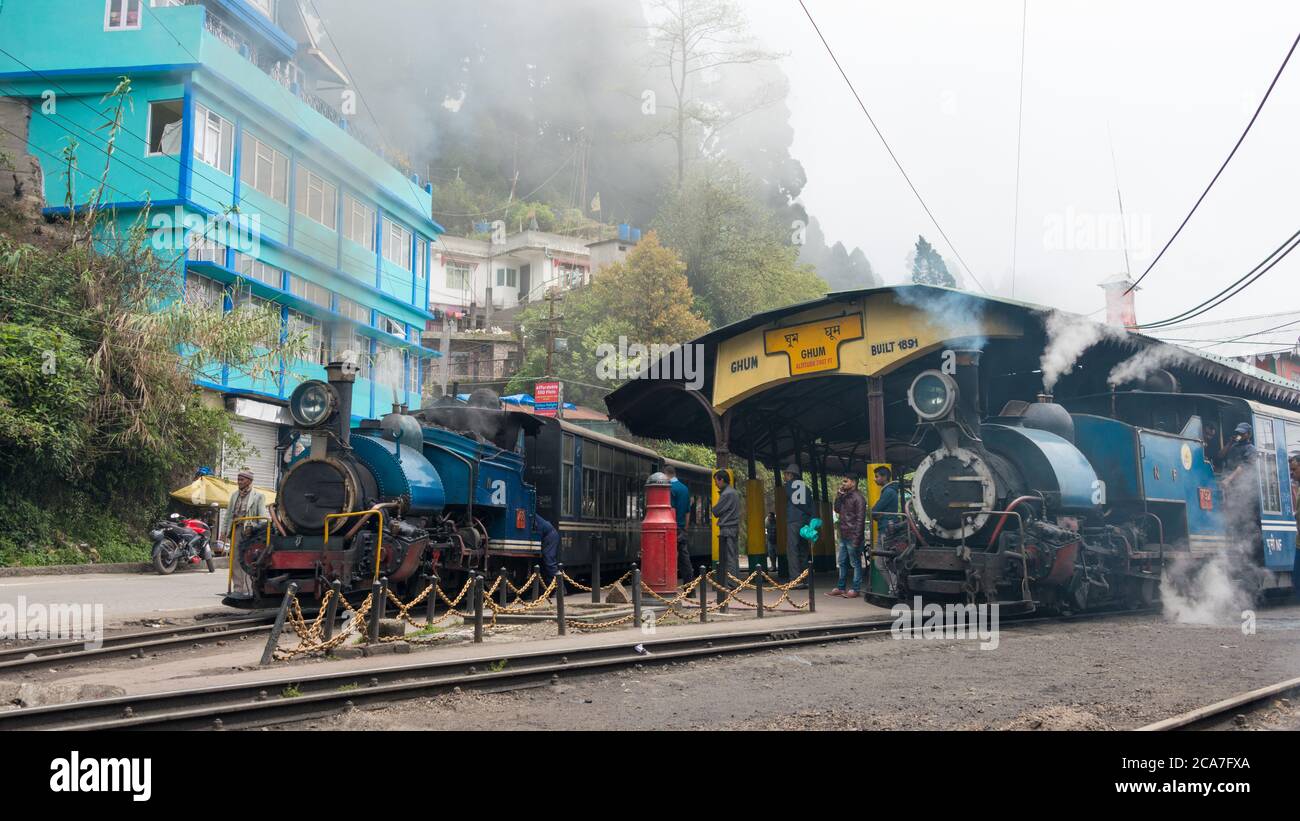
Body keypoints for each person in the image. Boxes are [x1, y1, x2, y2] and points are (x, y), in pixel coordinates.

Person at [227, 468, 268, 598]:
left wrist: (253, 527)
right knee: (235, 560)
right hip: (236, 530)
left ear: (249, 481)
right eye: (238, 479)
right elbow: (228, 515)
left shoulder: (258, 496)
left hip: (250, 533)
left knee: (248, 560)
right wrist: (224, 531)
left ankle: (250, 589)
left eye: (242, 479)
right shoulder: (235, 495)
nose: (239, 482)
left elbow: (262, 519)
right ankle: (238, 589)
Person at [829, 476, 866, 598]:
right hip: (844, 535)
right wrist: (838, 496)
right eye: (843, 481)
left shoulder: (859, 498)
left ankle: (855, 589)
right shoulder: (844, 496)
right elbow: (837, 509)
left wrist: (857, 539)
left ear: (853, 482)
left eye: (846, 481)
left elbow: (861, 520)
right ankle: (841, 588)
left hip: (853, 535)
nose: (843, 483)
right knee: (842, 562)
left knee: (855, 563)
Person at [782, 463, 813, 588]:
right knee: (803, 549)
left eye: (786, 474)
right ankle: (805, 579)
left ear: (790, 475)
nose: (784, 476)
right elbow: (810, 503)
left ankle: (795, 580)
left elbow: (793, 500)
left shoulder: (789, 486)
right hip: (804, 521)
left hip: (793, 521)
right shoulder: (805, 488)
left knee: (792, 550)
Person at [710, 471, 741, 587]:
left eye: (716, 481)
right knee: (734, 556)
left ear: (722, 480)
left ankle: (731, 583)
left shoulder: (726, 494)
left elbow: (716, 511)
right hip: (733, 527)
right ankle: (735, 582)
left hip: (727, 528)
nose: (716, 484)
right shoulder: (734, 492)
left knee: (728, 557)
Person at [665, 465, 692, 585]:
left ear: (666, 475)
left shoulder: (670, 488)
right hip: (682, 526)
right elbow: (687, 511)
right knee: (684, 557)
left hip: (672, 527)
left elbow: (671, 509)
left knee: (668, 556)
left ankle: (668, 583)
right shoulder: (685, 489)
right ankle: (689, 585)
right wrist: (685, 527)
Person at [1221, 423, 1257, 505]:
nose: (1239, 435)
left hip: (1243, 485)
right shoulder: (1233, 446)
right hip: (1230, 485)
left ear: (1248, 434)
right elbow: (1220, 456)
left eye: (1242, 433)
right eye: (1238, 433)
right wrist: (1230, 443)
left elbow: (1243, 466)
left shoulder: (1251, 449)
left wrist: (1228, 479)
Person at [870, 466, 901, 546]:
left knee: (881, 554)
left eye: (877, 476)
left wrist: (880, 516)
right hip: (887, 525)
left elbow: (874, 510)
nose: (875, 479)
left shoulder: (888, 492)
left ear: (885, 477)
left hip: (886, 528)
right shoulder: (890, 490)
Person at [534, 514, 560, 583]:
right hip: (548, 535)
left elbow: (539, 531)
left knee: (549, 560)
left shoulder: (534, 517)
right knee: (545, 561)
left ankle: (560, 587)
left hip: (549, 536)